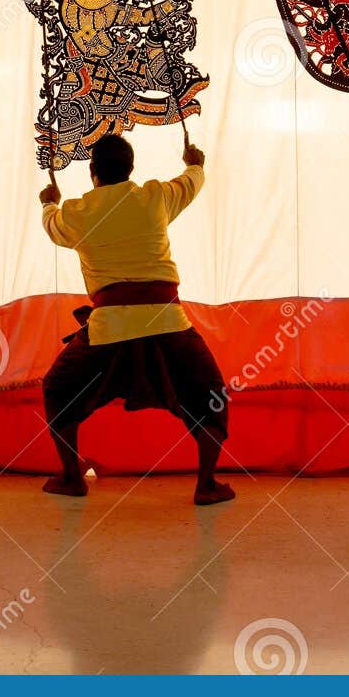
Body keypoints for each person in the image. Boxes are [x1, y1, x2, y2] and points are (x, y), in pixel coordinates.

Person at [39, 134, 234, 505]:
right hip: (168, 322)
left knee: (57, 388)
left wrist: (49, 204)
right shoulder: (154, 198)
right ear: (131, 169)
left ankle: (70, 477)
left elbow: (52, 225)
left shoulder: (76, 213)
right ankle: (206, 484)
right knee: (210, 394)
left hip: (107, 330)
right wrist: (194, 162)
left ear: (92, 172)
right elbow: (193, 181)